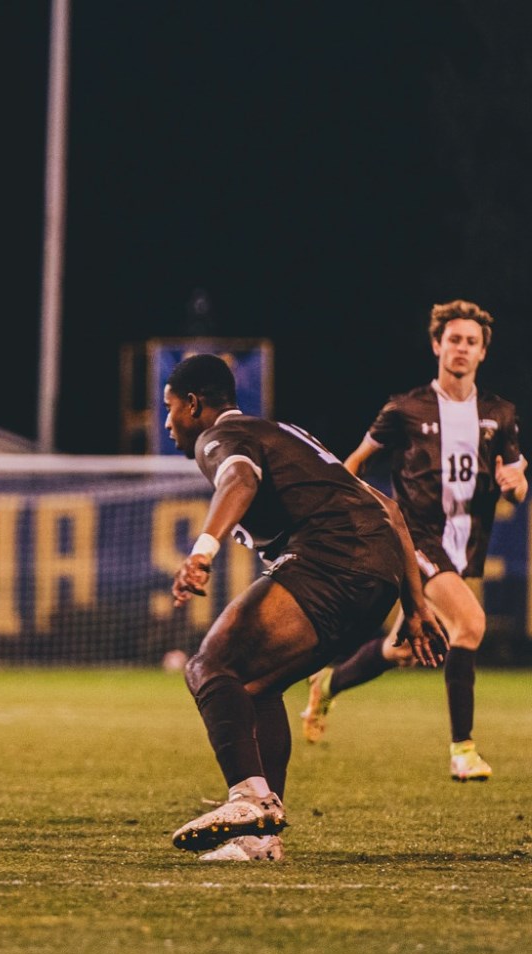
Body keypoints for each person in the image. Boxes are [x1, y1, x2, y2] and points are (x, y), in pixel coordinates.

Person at [163, 353, 445, 862]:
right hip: (376, 573)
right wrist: (416, 605)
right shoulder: (285, 434)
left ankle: (247, 800)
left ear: (194, 404)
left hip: (333, 558)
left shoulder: (219, 438)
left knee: (210, 666)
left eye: (170, 409)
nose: (167, 423)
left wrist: (202, 552)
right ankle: (260, 839)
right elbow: (391, 511)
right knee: (259, 686)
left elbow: (240, 481)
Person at [299, 300, 527, 782]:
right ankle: (462, 751)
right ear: (436, 345)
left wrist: (516, 483)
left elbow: (518, 478)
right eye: (454, 339)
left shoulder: (499, 413)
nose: (461, 348)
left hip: (462, 545)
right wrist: (339, 512)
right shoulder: (405, 409)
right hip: (415, 538)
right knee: (469, 625)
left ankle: (328, 683)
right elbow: (355, 461)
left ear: (483, 352)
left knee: (403, 647)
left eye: (471, 341)